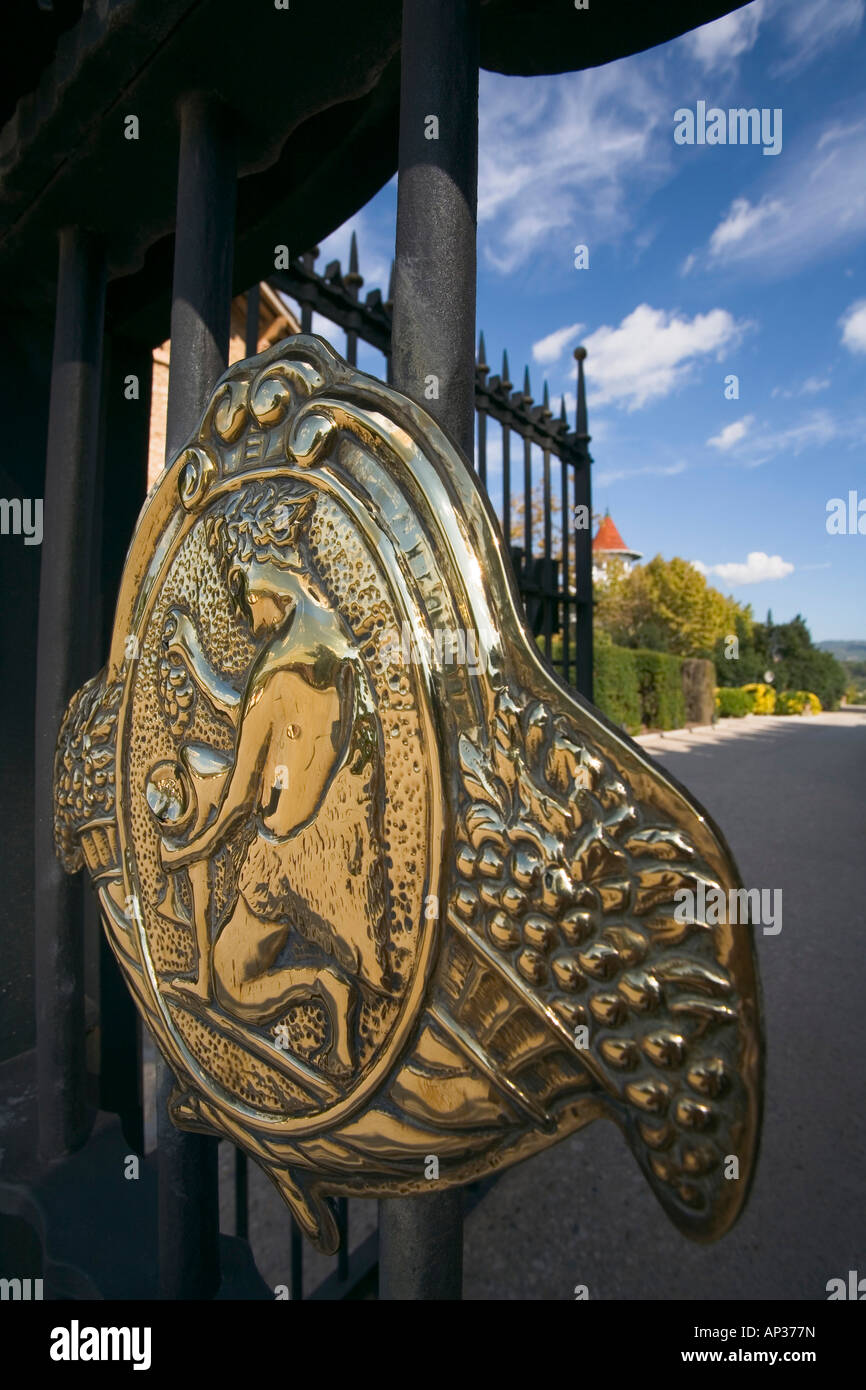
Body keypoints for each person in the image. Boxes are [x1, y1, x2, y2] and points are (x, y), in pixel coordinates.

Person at [159, 483, 390, 1075]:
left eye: (245, 602)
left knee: (234, 982)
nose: (247, 618)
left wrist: (198, 845)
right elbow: (260, 719)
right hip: (324, 852)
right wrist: (198, 660)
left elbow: (239, 795)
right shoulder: (334, 649)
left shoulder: (273, 665)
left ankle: (324, 986)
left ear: (258, 577)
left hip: (273, 860)